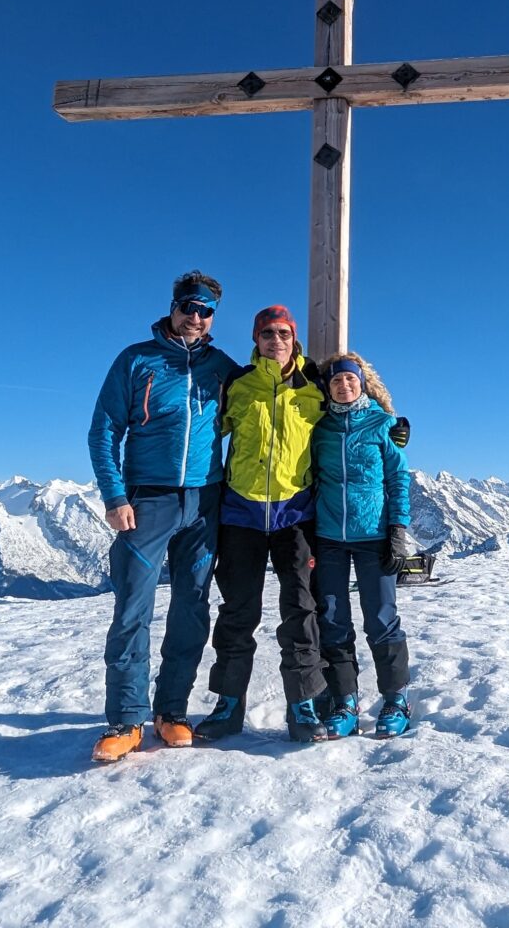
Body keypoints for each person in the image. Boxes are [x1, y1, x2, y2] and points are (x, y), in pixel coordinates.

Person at [85, 271, 239, 763]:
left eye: (205, 310)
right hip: (146, 501)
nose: (195, 317)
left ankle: (170, 711)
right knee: (132, 609)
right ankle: (126, 719)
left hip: (204, 502)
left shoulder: (222, 367)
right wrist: (114, 496)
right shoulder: (137, 360)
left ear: (214, 315)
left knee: (191, 608)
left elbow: (272, 395)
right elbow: (103, 432)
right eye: (188, 306)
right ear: (173, 307)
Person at [196, 305, 334, 744]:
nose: (276, 340)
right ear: (256, 339)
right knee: (238, 611)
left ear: (295, 339)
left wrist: (391, 429)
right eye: (268, 333)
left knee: (301, 609)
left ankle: (303, 705)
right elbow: (202, 430)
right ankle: (229, 704)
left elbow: (355, 415)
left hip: (296, 514)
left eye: (284, 333)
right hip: (242, 514)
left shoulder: (314, 385)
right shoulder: (237, 384)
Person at [311, 352, 418, 739]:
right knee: (333, 620)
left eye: (350, 380)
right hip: (328, 538)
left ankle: (396, 699)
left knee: (381, 618)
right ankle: (345, 702)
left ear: (362, 383)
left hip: (374, 537)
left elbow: (398, 481)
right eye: (337, 381)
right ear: (328, 386)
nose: (344, 385)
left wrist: (397, 530)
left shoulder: (383, 425)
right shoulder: (319, 427)